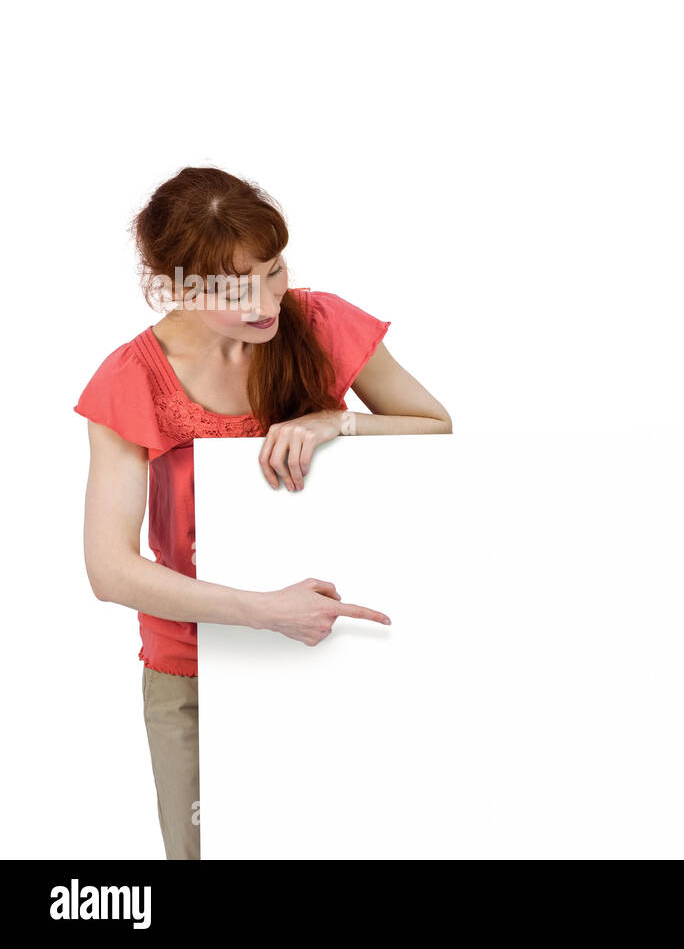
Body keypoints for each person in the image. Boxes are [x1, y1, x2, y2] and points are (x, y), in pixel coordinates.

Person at [75, 166, 453, 859]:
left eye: (273, 271)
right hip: (193, 671)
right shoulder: (130, 380)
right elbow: (109, 570)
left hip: (346, 644)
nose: (264, 301)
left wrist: (335, 422)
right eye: (230, 289)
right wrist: (267, 611)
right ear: (176, 288)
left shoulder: (321, 322)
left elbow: (435, 427)